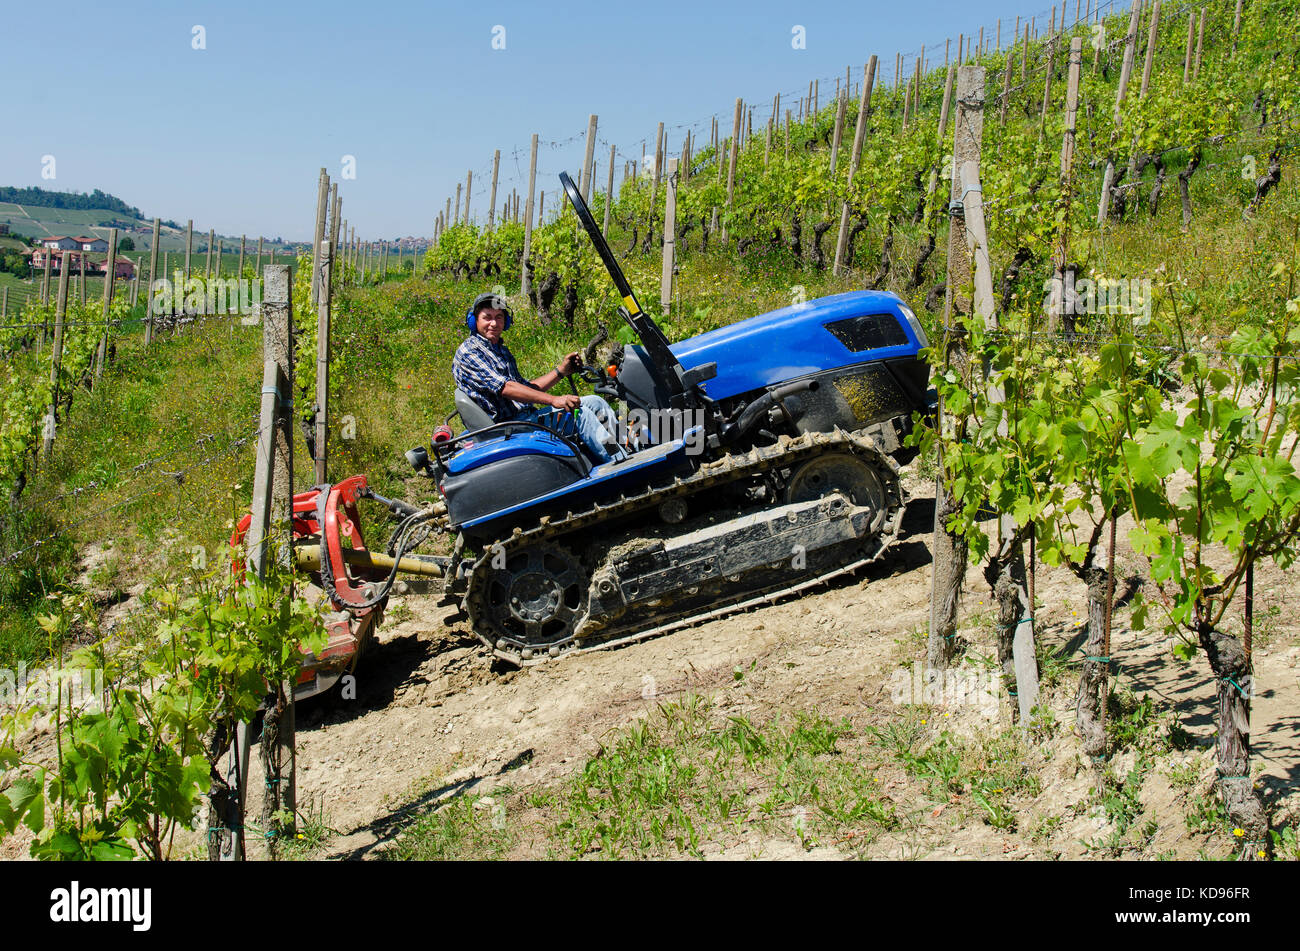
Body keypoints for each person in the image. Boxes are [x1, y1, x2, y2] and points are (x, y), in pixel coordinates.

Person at [452, 292, 628, 464]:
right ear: (474, 321)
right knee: (579, 415)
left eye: (499, 317)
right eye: (487, 317)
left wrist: (561, 371)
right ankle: (620, 464)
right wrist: (554, 400)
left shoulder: (498, 350)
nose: (494, 323)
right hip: (510, 428)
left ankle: (626, 449)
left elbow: (526, 388)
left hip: (524, 418)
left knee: (595, 402)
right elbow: (506, 388)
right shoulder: (470, 351)